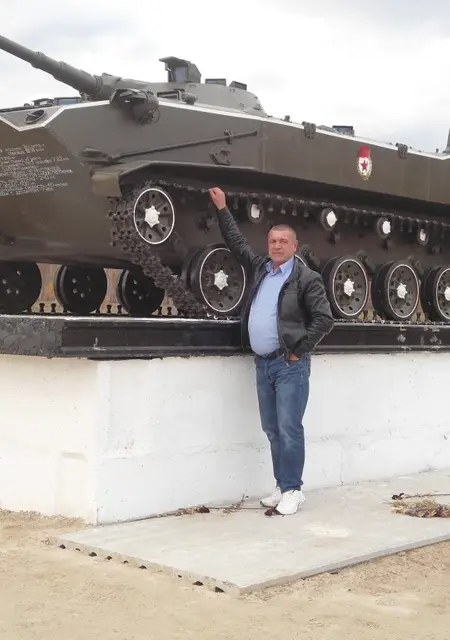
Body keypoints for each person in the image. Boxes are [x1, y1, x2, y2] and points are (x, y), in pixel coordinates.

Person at [208, 187, 334, 515]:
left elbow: (324, 319)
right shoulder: (262, 269)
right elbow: (237, 243)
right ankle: (282, 485)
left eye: (283, 242)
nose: (277, 246)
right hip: (263, 363)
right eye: (273, 241)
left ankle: (293, 490)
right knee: (273, 429)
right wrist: (222, 208)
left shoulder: (307, 279)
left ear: (294, 246)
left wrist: (298, 351)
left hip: (289, 365)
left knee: (289, 429)